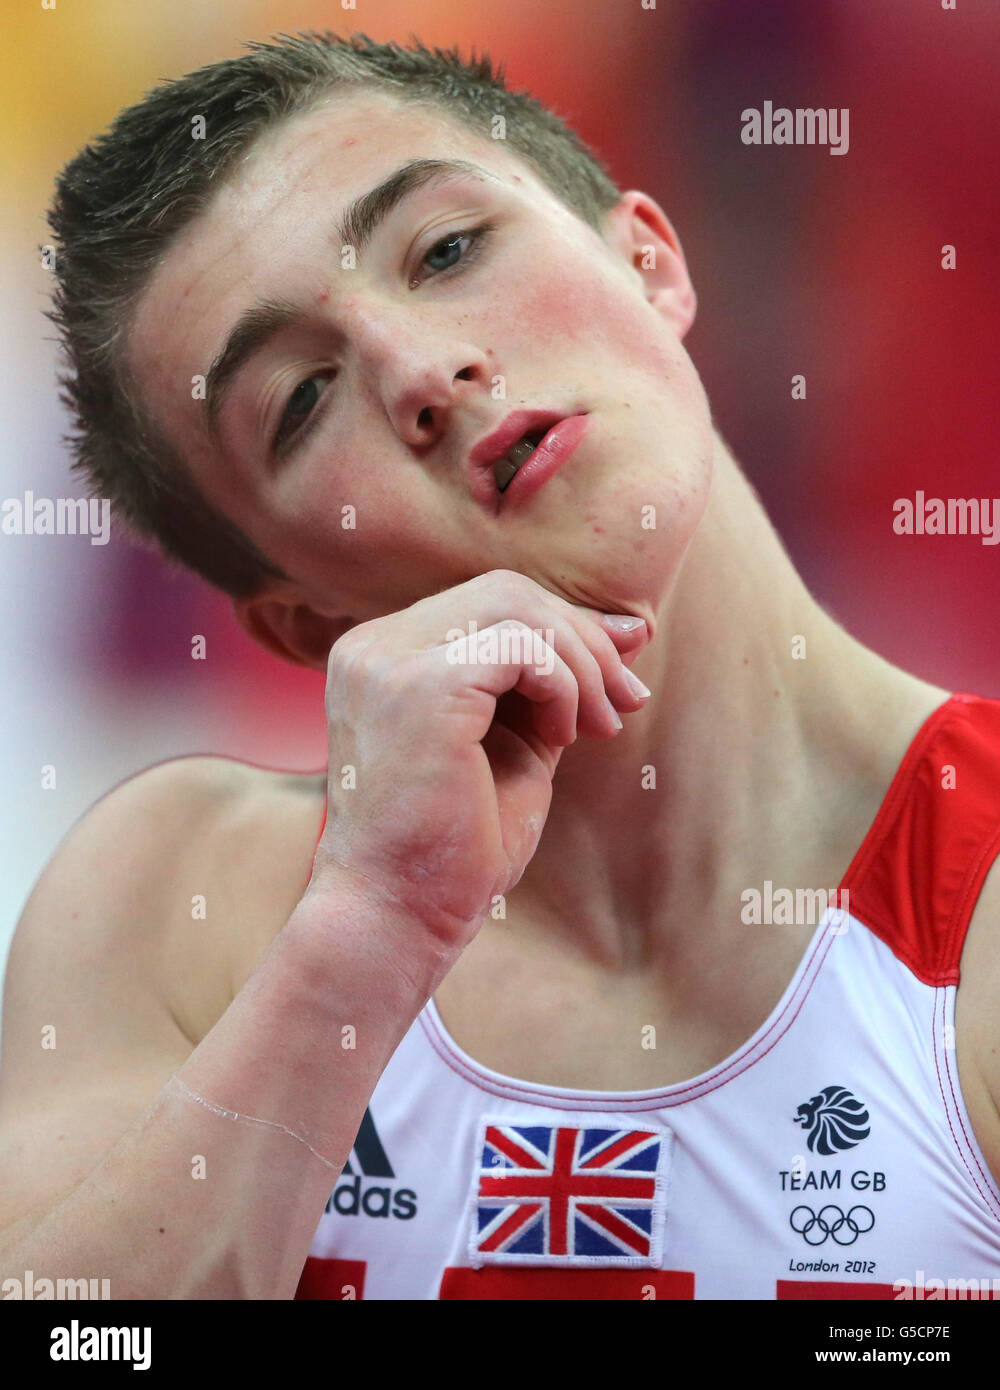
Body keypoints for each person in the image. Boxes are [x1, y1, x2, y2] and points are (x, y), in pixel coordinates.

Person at [1, 30, 998, 1302]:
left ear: (648, 259)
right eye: (302, 398)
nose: (425, 370)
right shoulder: (170, 902)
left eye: (449, 250)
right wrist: (368, 932)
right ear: (304, 623)